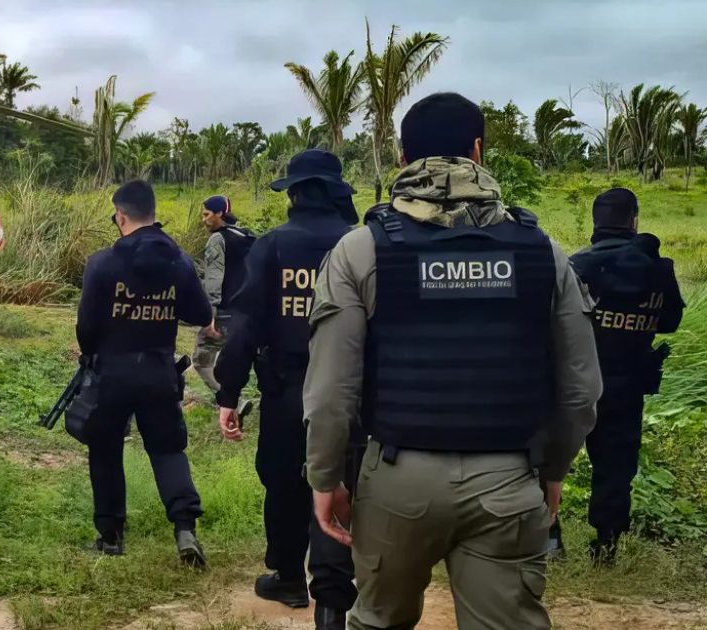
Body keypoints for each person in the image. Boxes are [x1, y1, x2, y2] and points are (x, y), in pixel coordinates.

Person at [304, 92, 603, 630]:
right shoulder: (543, 251)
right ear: (479, 151)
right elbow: (581, 389)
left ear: (401, 159)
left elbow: (330, 392)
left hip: (397, 480)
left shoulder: (360, 250)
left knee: (377, 621)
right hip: (509, 477)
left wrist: (325, 478)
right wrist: (553, 468)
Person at [213, 149, 361, 629]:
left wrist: (228, 394)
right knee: (338, 484)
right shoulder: (361, 244)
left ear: (294, 192)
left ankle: (289, 578)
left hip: (285, 389)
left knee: (282, 483)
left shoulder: (273, 245)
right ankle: (335, 602)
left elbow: (245, 327)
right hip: (353, 393)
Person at [75, 179, 213, 567]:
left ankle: (111, 537)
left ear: (120, 216)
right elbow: (201, 314)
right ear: (153, 213)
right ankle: (185, 529)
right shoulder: (179, 261)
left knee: (104, 450)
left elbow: (86, 328)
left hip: (112, 373)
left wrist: (95, 352)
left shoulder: (101, 263)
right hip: (158, 373)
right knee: (168, 451)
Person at [547, 188, 684, 565]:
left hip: (573, 383)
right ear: (633, 221)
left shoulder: (575, 266)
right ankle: (605, 547)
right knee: (616, 468)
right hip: (627, 384)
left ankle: (551, 539)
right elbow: (670, 321)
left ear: (595, 223)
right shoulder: (657, 269)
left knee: (552, 458)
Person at [193, 195, 256, 420]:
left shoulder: (217, 240)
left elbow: (214, 279)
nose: (204, 220)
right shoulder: (247, 236)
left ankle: (233, 401)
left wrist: (209, 316)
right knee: (237, 358)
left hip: (225, 311)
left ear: (220, 213)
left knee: (201, 359)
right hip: (247, 312)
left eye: (207, 214)